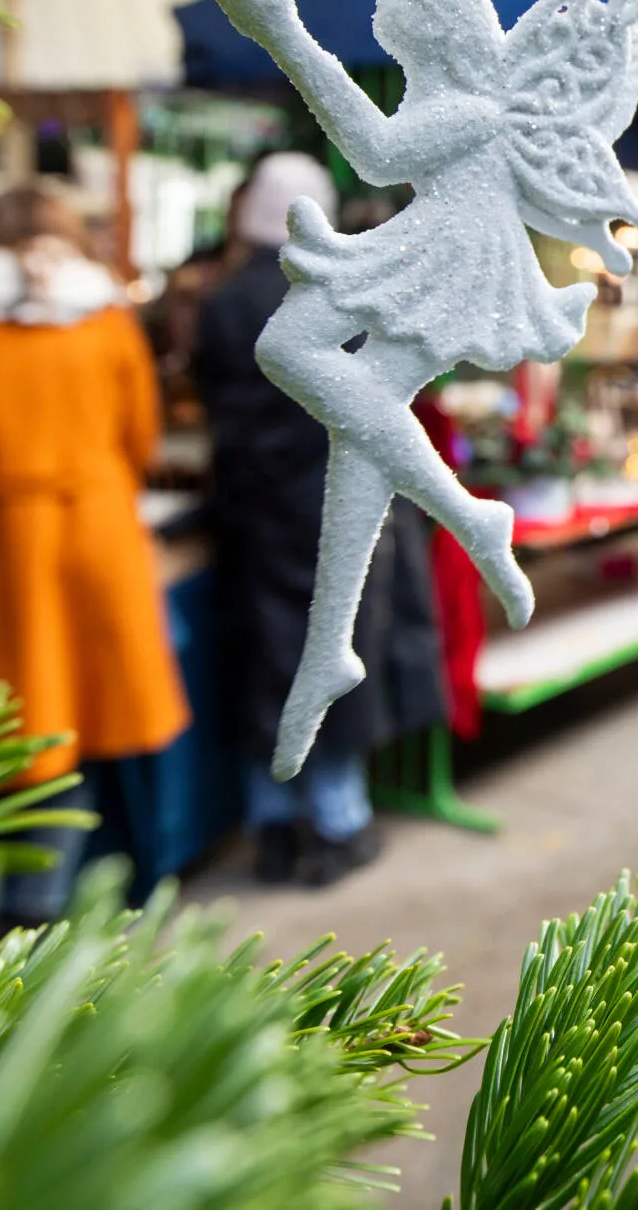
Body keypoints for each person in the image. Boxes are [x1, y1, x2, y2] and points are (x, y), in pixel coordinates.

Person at [0, 187, 187, 924]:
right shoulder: (107, 315)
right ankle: (43, 905)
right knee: (75, 724)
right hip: (98, 533)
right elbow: (141, 436)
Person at [198, 153, 448, 885]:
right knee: (338, 657)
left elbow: (219, 410)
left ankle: (275, 834)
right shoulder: (351, 288)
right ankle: (339, 828)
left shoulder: (222, 304)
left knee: (265, 666)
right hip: (341, 503)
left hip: (253, 511)